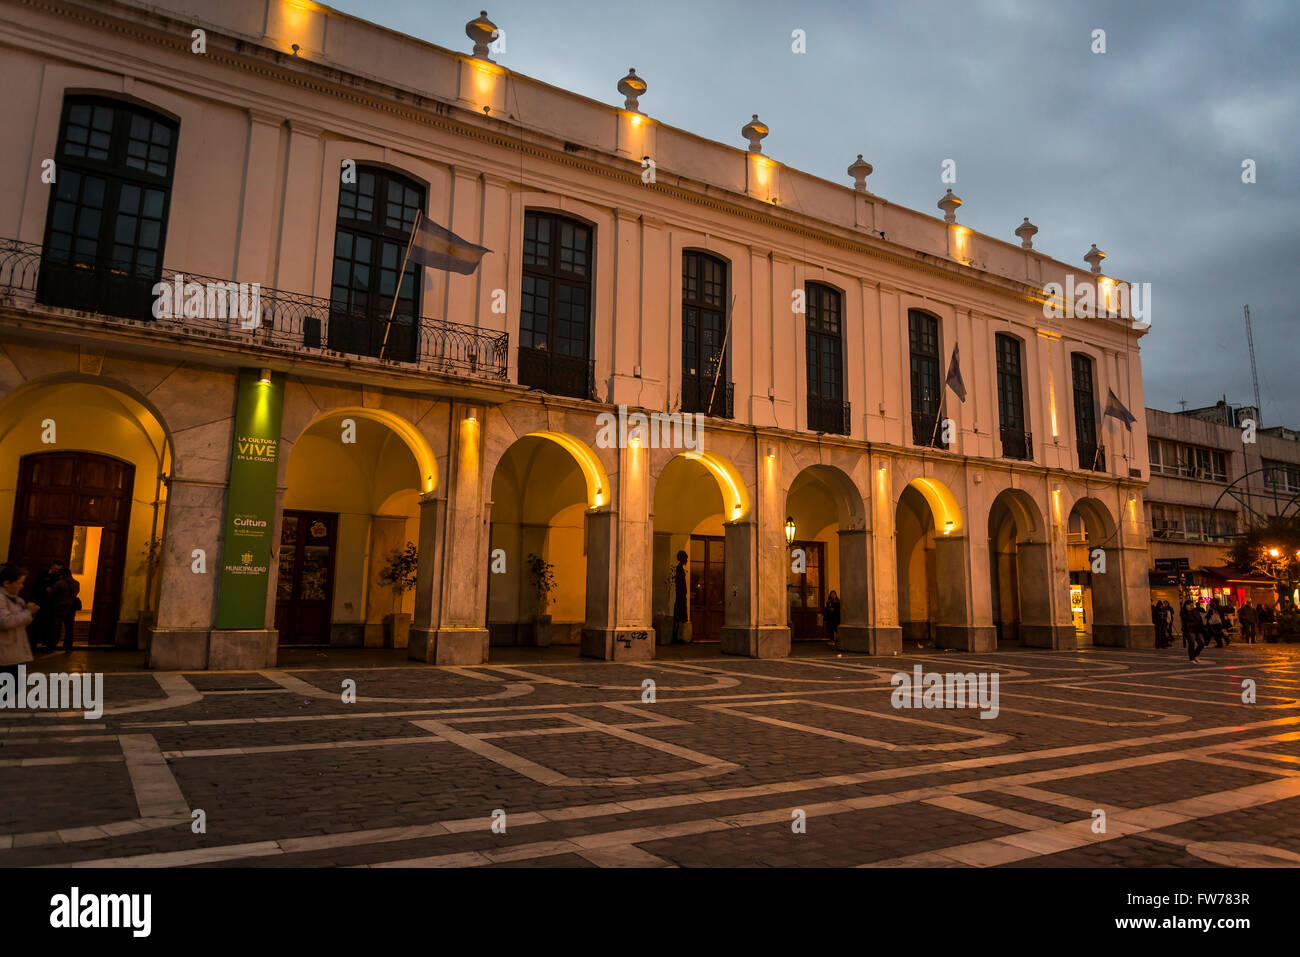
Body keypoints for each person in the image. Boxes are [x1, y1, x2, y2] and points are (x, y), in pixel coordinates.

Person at [0, 564, 37, 680]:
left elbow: (21, 622)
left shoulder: (17, 599)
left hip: (16, 651)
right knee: (13, 686)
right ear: (6, 583)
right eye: (18, 583)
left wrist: (29, 613)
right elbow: (5, 622)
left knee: (16, 686)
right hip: (5, 652)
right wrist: (27, 613)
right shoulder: (1, 598)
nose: (21, 586)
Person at [48, 566, 80, 652]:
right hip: (71, 609)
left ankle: (52, 647)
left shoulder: (59, 583)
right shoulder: (76, 583)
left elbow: (52, 595)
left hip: (59, 607)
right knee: (69, 629)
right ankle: (68, 647)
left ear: (62, 575)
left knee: (55, 628)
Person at [671, 550, 689, 644]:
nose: (686, 560)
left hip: (681, 597)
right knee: (679, 618)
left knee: (680, 618)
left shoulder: (680, 568)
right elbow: (680, 584)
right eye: (685, 558)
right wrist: (682, 595)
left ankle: (677, 637)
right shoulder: (679, 569)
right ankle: (676, 637)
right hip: (680, 597)